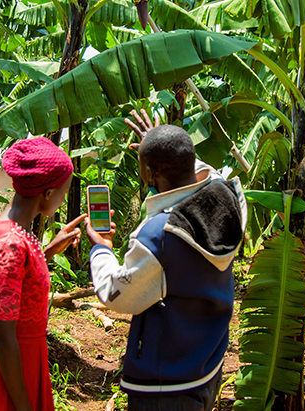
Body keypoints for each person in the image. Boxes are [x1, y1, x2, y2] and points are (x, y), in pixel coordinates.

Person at [84, 110, 247, 410]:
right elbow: (204, 171)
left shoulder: (159, 235)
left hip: (165, 384)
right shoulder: (227, 199)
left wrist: (101, 247)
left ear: (150, 174)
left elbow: (116, 294)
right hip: (207, 366)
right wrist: (158, 145)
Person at [0, 137, 86, 411]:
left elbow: (17, 280)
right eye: (64, 193)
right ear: (47, 194)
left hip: (19, 364)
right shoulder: (11, 245)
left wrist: (48, 251)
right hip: (6, 377)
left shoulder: (11, 230)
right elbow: (2, 336)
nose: (62, 201)